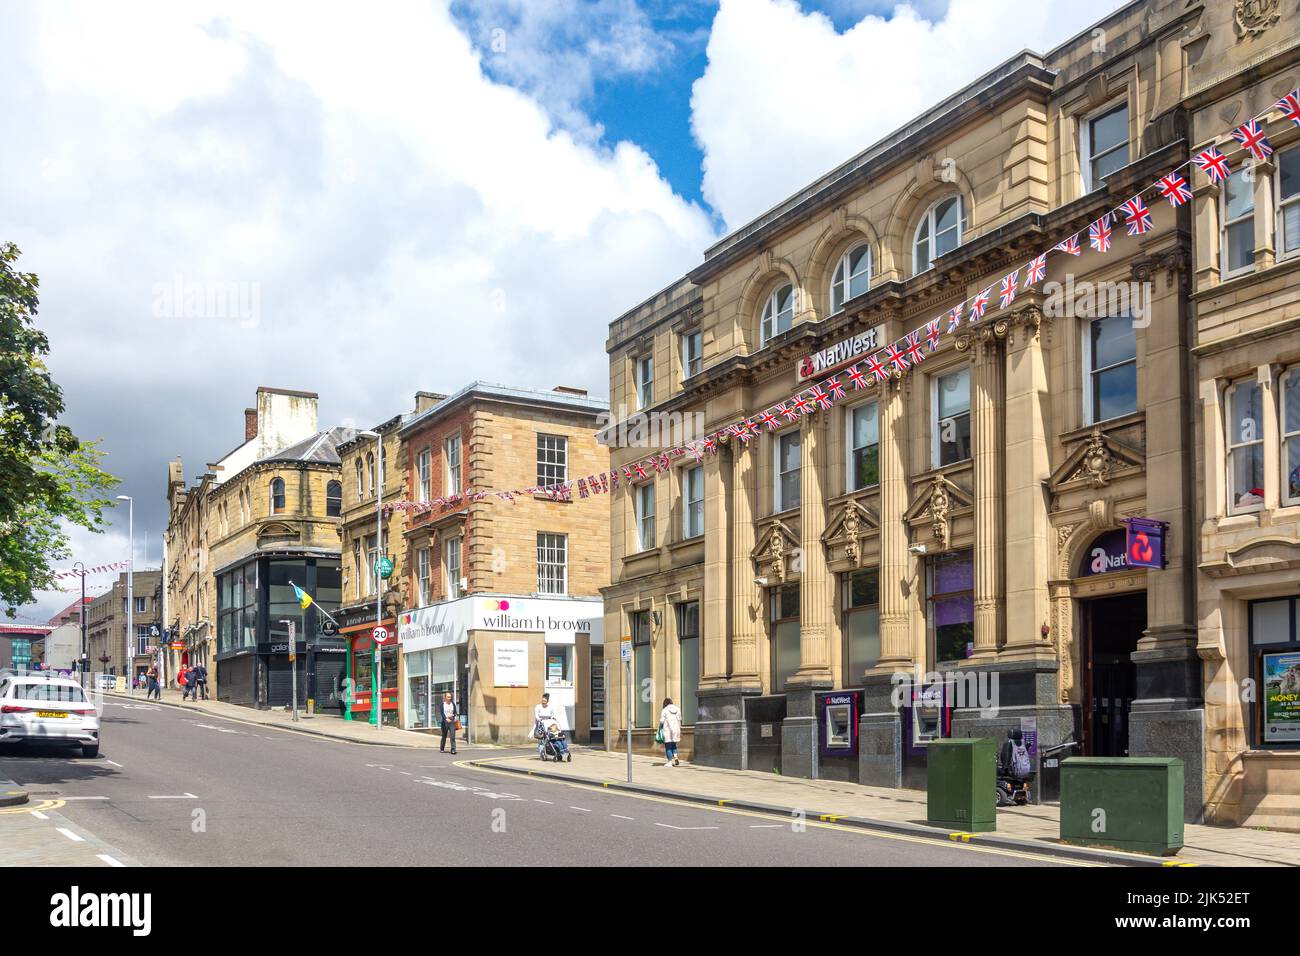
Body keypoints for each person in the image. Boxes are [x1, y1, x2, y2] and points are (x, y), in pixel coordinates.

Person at [659, 697, 682, 767]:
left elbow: (662, 721)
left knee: (668, 746)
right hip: (676, 729)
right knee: (674, 745)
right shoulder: (678, 709)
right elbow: (680, 719)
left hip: (668, 730)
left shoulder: (665, 710)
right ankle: (675, 757)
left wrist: (660, 725)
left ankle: (669, 762)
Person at [534, 692, 558, 758]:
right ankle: (542, 753)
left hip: (548, 724)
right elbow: (536, 715)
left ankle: (549, 750)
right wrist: (539, 719)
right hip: (540, 724)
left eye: (545, 701)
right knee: (541, 739)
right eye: (542, 700)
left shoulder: (550, 707)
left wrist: (553, 718)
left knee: (549, 738)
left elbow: (553, 715)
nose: (543, 702)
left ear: (547, 701)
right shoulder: (538, 706)